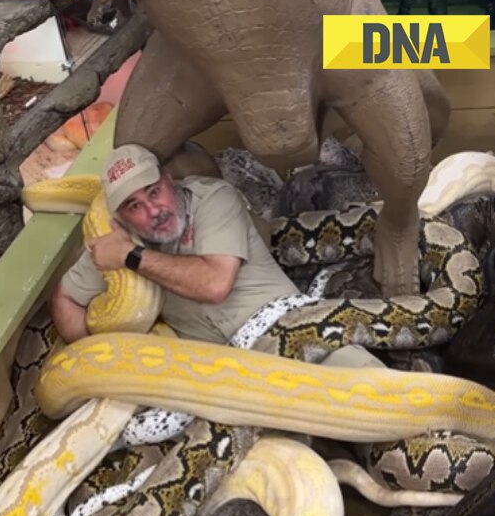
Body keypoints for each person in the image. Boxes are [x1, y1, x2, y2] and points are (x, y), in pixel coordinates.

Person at [50, 143, 382, 369]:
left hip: (291, 327)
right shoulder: (114, 241)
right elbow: (66, 298)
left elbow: (214, 284)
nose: (154, 211)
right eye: (134, 206)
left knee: (385, 401)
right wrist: (101, 353)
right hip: (223, 372)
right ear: (119, 215)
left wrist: (131, 257)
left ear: (169, 180)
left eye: (154, 192)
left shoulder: (212, 198)